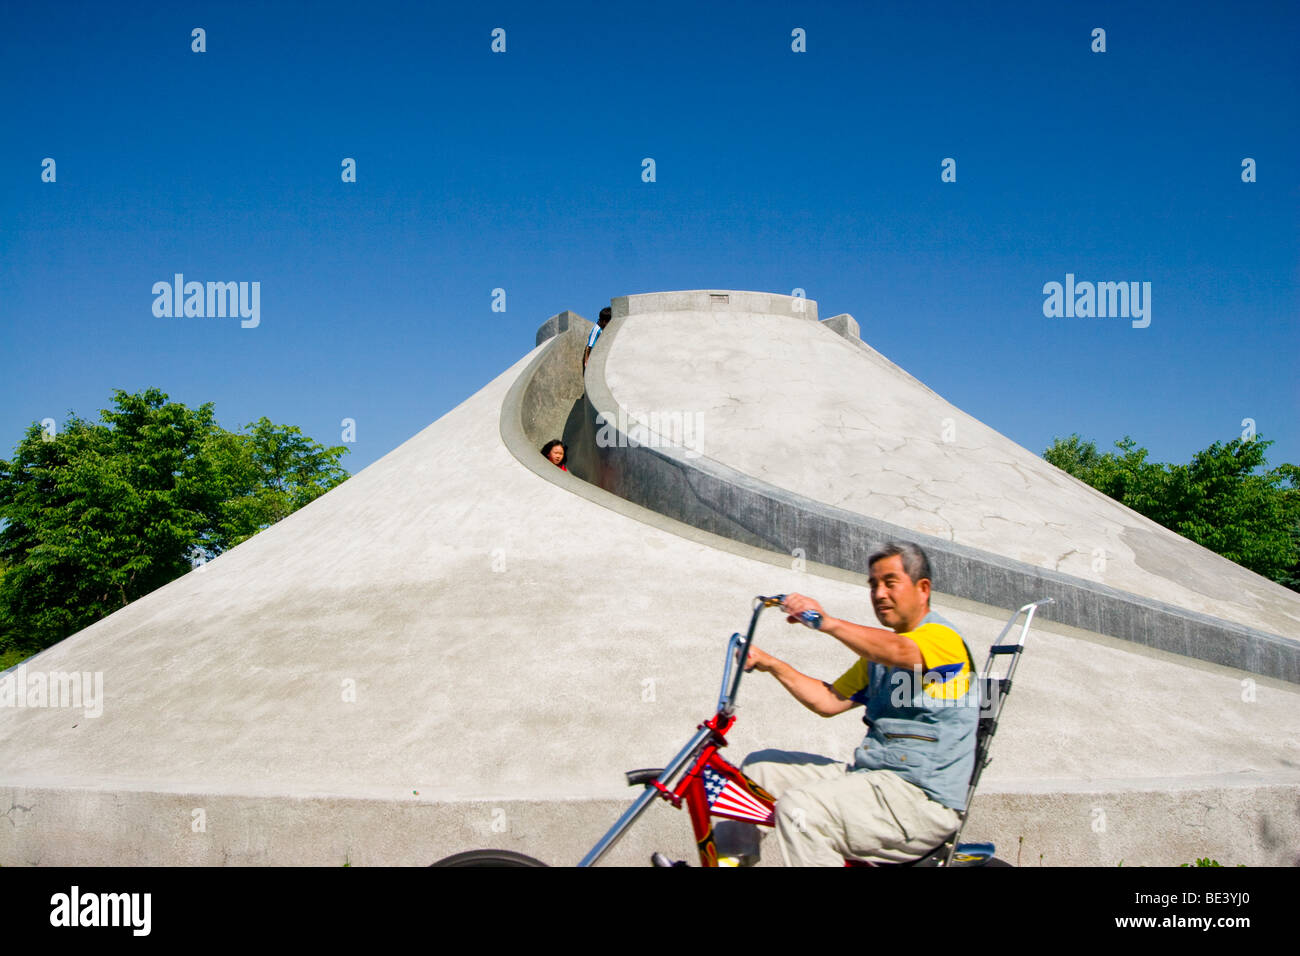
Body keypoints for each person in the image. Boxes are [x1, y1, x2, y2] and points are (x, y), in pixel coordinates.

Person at [724, 541, 978, 866]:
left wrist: (825, 622)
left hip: (920, 799)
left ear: (922, 588)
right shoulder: (877, 656)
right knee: (755, 772)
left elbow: (901, 651)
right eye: (873, 585)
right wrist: (772, 664)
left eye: (890, 583)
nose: (879, 594)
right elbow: (829, 701)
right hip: (871, 779)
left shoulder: (943, 640)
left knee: (802, 810)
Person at [582, 307, 612, 372]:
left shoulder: (603, 328)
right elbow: (589, 348)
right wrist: (586, 363)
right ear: (604, 321)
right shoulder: (596, 330)